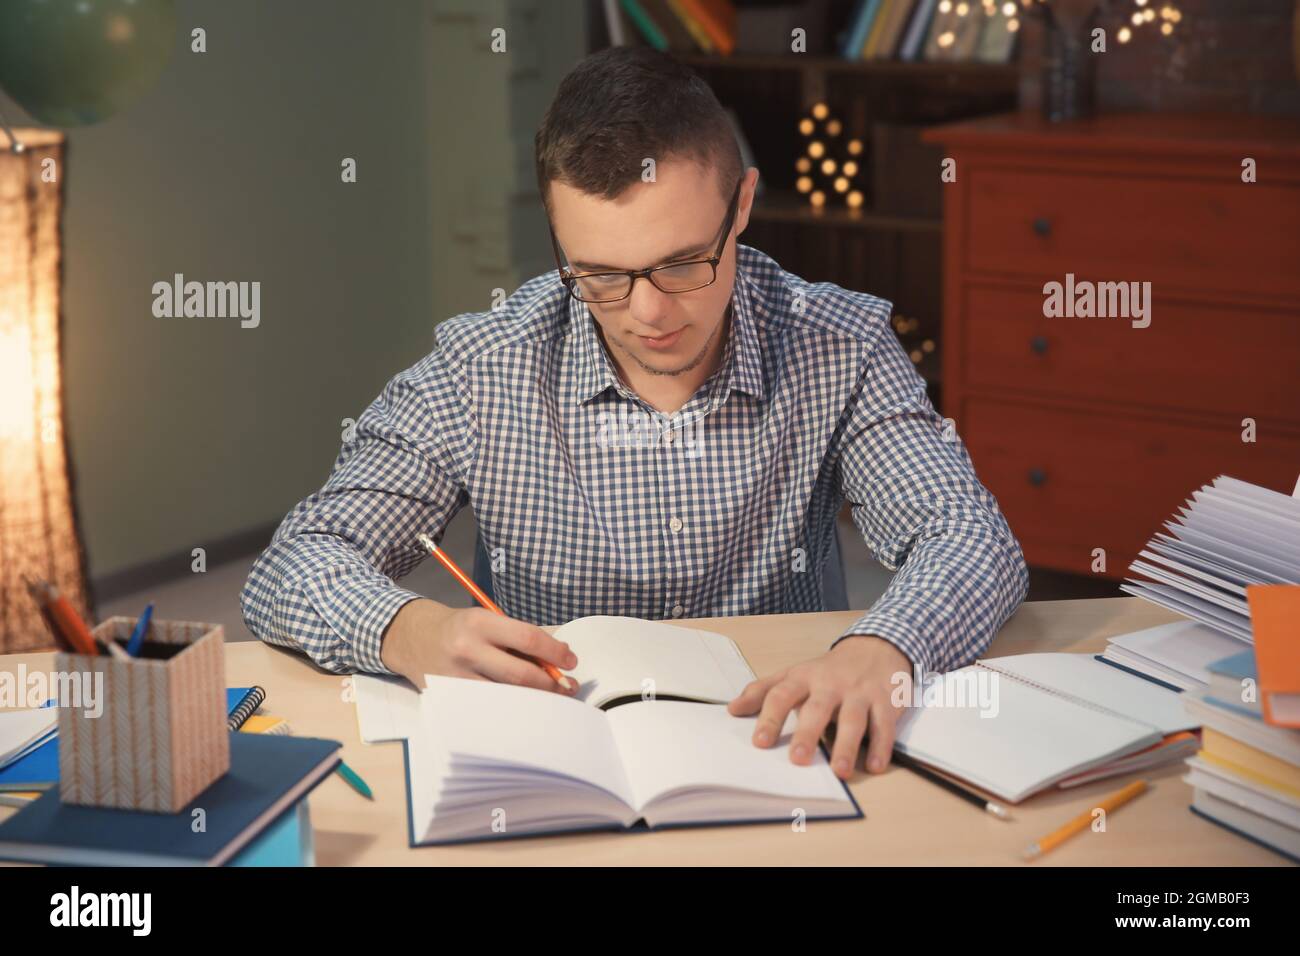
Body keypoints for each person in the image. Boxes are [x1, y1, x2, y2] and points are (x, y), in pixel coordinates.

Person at [241, 46, 1027, 780]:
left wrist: (886, 647)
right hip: (558, 761)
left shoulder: (840, 344)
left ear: (743, 205)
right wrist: (407, 631)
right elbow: (294, 561)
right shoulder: (481, 369)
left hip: (779, 752)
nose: (648, 312)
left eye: (685, 262)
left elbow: (969, 536)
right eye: (600, 274)